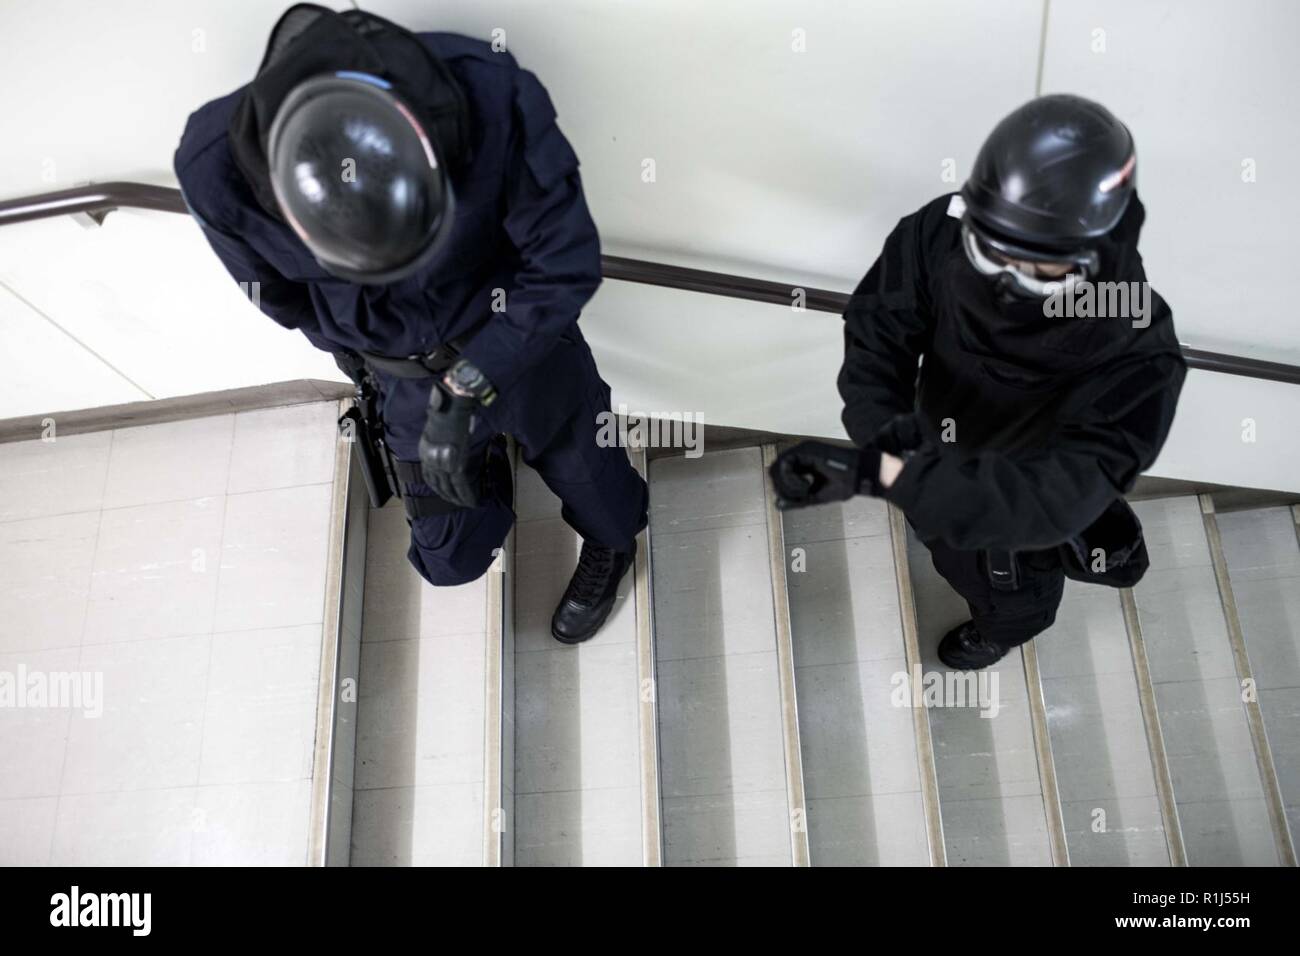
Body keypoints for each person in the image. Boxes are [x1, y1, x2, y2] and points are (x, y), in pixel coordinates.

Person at [174, 4, 646, 643]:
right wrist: (362, 361)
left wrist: (469, 387)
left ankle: (610, 545)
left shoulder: (491, 93)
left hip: (518, 340)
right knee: (448, 556)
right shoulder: (213, 167)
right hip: (398, 373)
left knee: (593, 478)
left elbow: (564, 265)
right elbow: (278, 296)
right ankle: (487, 473)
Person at [770, 94, 1186, 670]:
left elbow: (1045, 504)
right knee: (941, 543)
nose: (1004, 279)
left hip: (1012, 520)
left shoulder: (1140, 352)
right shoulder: (943, 227)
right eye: (989, 252)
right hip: (930, 447)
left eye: (1035, 270)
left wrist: (880, 473)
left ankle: (997, 633)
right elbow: (877, 328)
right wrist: (887, 438)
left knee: (1011, 597)